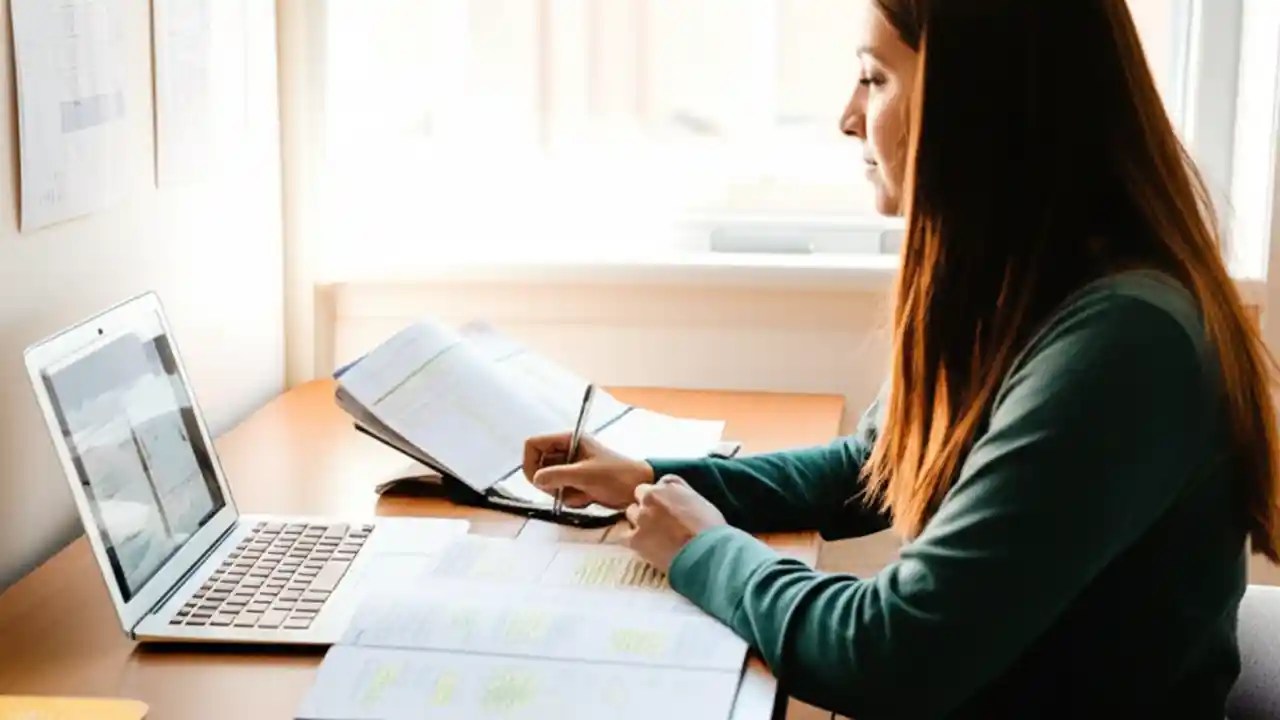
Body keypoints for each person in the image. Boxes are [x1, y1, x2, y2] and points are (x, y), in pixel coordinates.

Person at [522, 0, 1280, 716]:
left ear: (978, 98)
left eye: (875, 77)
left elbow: (893, 653)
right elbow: (879, 466)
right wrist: (655, 479)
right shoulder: (1028, 281)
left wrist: (704, 549)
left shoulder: (1122, 345)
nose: (850, 118)